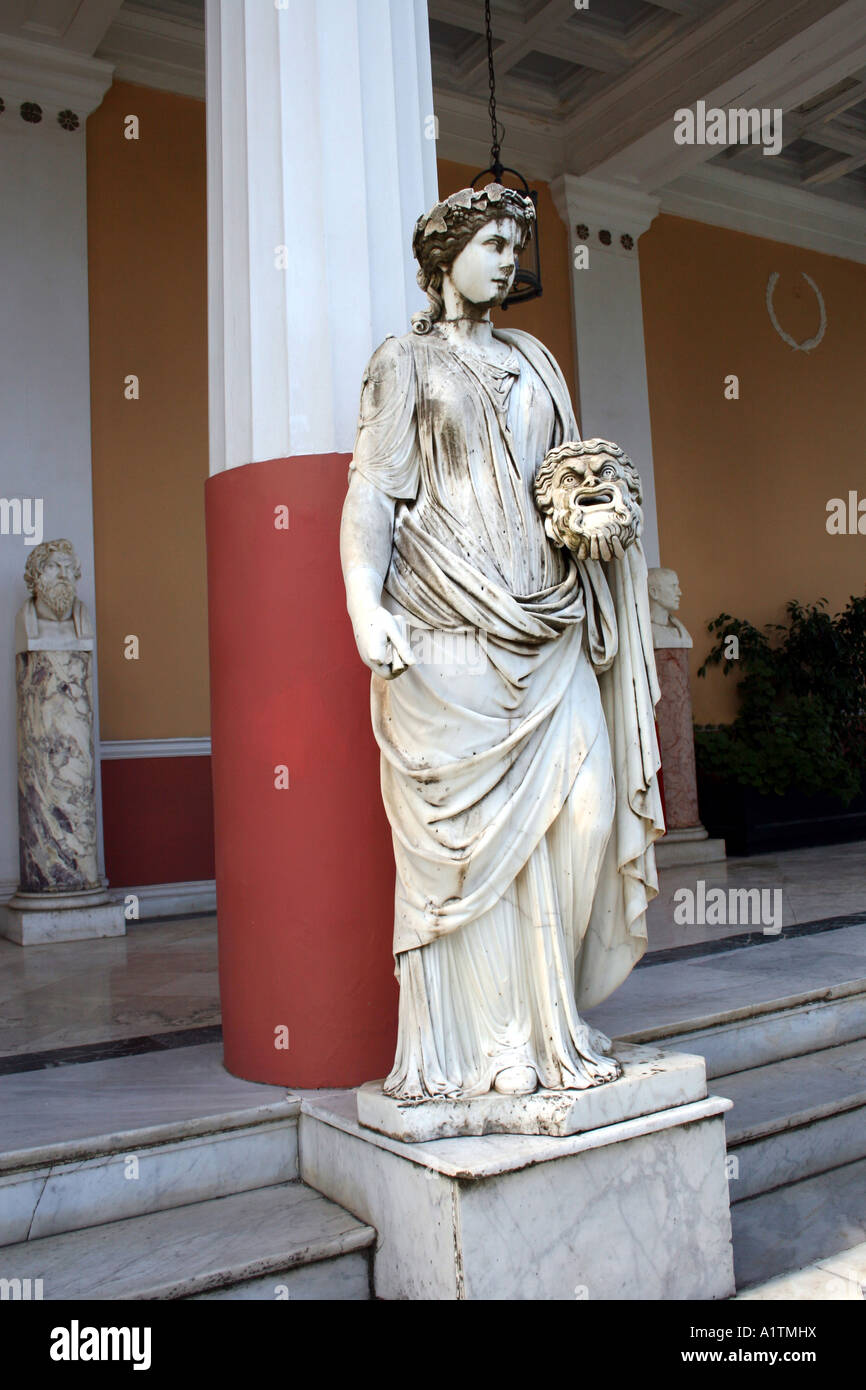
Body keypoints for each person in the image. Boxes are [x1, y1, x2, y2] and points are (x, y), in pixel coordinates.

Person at [340, 185, 663, 1102]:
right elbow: (372, 495)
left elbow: (565, 482)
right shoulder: (403, 363)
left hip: (549, 625)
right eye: (490, 243)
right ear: (444, 260)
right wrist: (366, 604)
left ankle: (553, 1011)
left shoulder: (535, 360)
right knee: (472, 852)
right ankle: (494, 1044)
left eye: (516, 245)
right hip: (449, 637)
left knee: (590, 814)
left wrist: (601, 519)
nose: (508, 259)